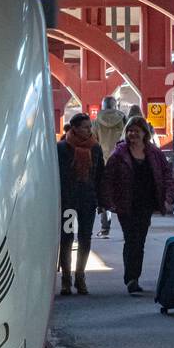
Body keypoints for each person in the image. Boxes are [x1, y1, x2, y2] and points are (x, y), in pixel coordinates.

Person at [102, 115, 174, 294]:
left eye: (136, 131)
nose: (132, 134)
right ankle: (131, 278)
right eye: (130, 130)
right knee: (131, 239)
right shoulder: (119, 153)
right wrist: (108, 202)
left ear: (144, 133)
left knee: (139, 240)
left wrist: (169, 198)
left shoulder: (154, 153)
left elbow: (167, 175)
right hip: (126, 203)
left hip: (146, 203)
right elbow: (108, 178)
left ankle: (134, 277)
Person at [57, 111, 104, 295]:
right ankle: (66, 279)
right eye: (85, 127)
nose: (89, 130)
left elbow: (100, 175)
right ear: (74, 128)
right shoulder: (61, 148)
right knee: (67, 238)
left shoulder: (95, 148)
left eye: (89, 127)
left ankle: (80, 277)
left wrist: (101, 200)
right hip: (69, 201)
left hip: (87, 201)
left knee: (85, 238)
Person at [93, 96, 126, 235]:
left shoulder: (96, 122)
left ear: (103, 106)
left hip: (103, 161)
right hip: (120, 160)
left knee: (104, 193)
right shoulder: (123, 119)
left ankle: (105, 227)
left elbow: (94, 141)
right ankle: (126, 228)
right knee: (123, 193)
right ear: (115, 105)